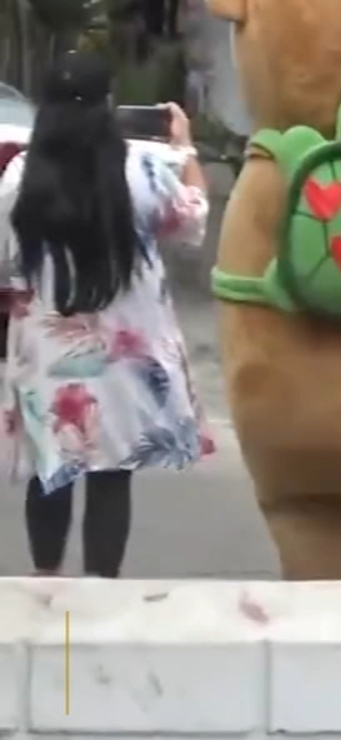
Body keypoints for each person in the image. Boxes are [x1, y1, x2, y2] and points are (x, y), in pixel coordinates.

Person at [0, 50, 213, 578]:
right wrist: (184, 146)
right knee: (112, 476)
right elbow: (193, 222)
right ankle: (101, 592)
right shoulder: (142, 170)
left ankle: (47, 590)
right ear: (108, 105)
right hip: (126, 359)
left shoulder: (17, 180)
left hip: (46, 357)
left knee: (50, 471)